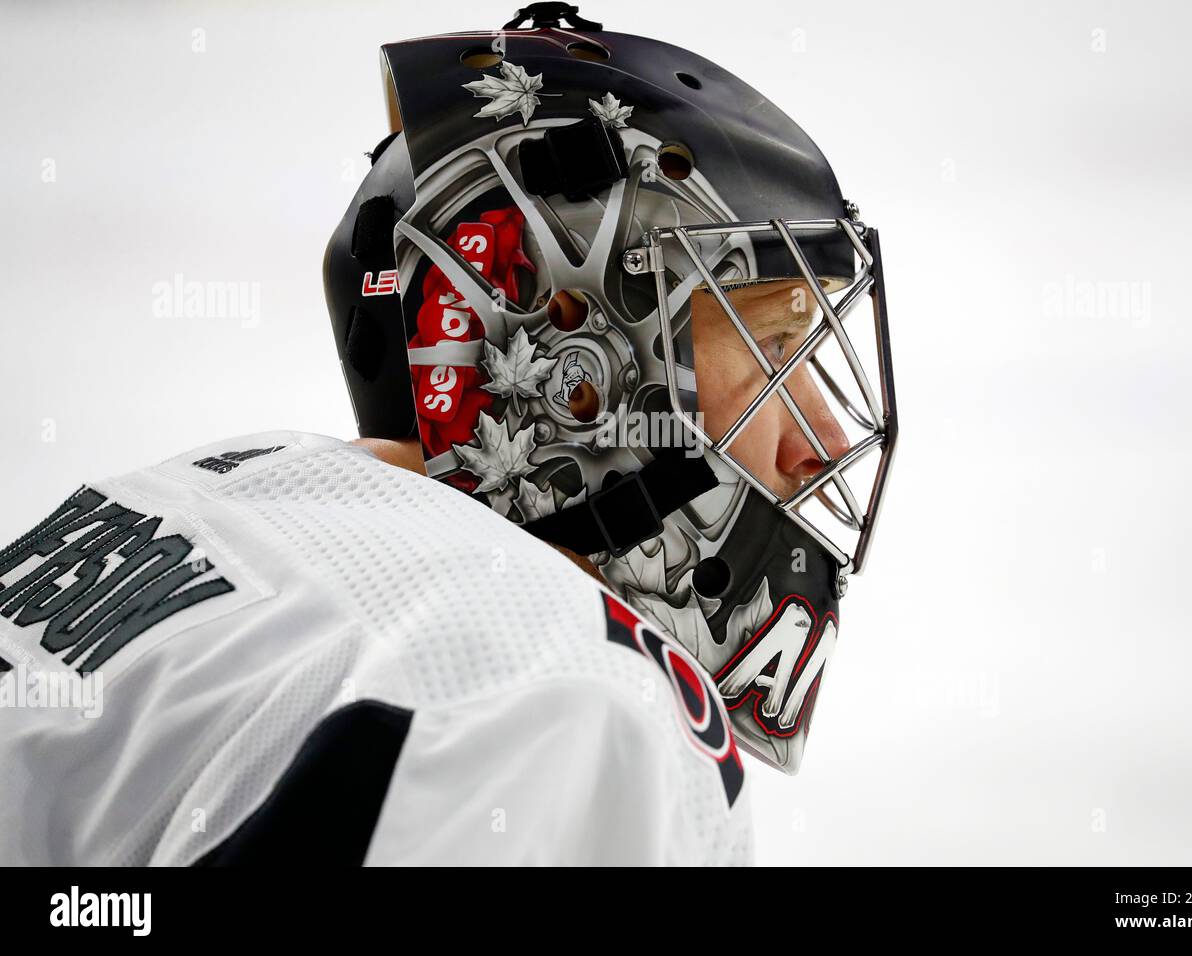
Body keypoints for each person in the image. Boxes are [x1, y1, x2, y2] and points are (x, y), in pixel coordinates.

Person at [0, 4, 895, 865]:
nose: (818, 437)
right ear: (572, 358)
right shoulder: (561, 694)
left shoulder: (191, 491)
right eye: (772, 346)